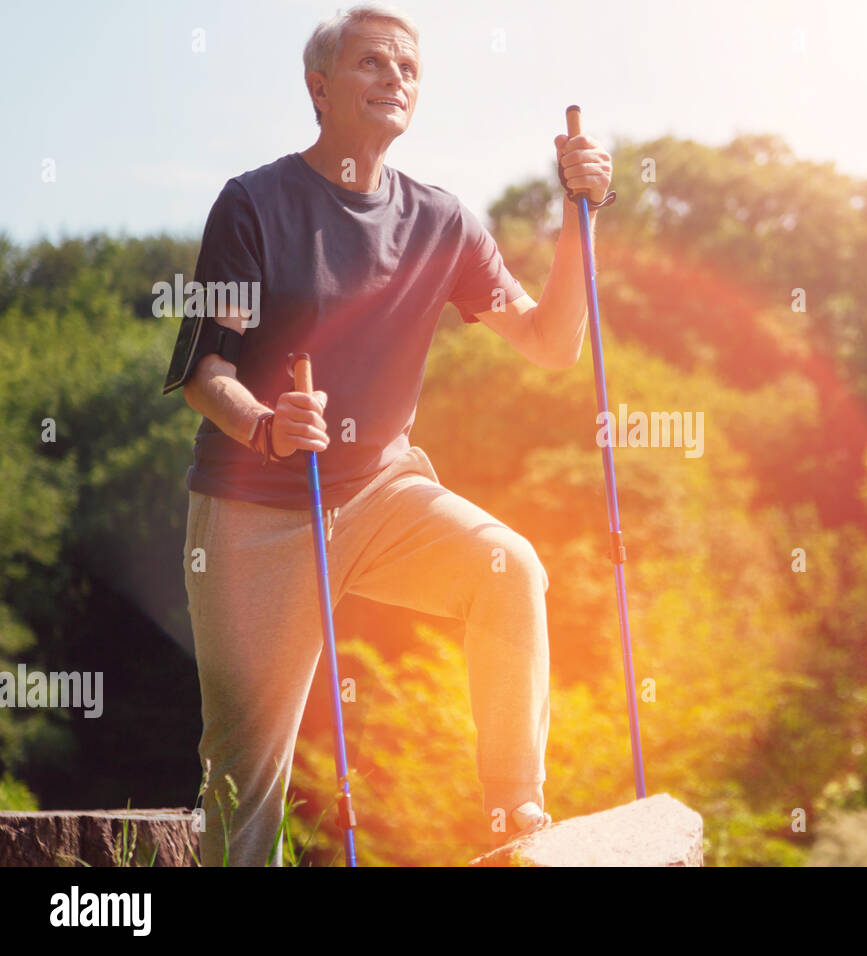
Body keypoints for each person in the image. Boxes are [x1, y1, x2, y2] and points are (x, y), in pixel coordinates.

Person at [166, 3, 613, 865]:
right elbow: (203, 375)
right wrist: (266, 427)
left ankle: (516, 816)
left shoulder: (443, 221)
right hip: (255, 509)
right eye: (374, 64)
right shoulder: (252, 203)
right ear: (319, 88)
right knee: (245, 785)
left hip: (382, 489)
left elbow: (553, 344)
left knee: (509, 569)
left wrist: (579, 217)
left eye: (408, 70)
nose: (395, 80)